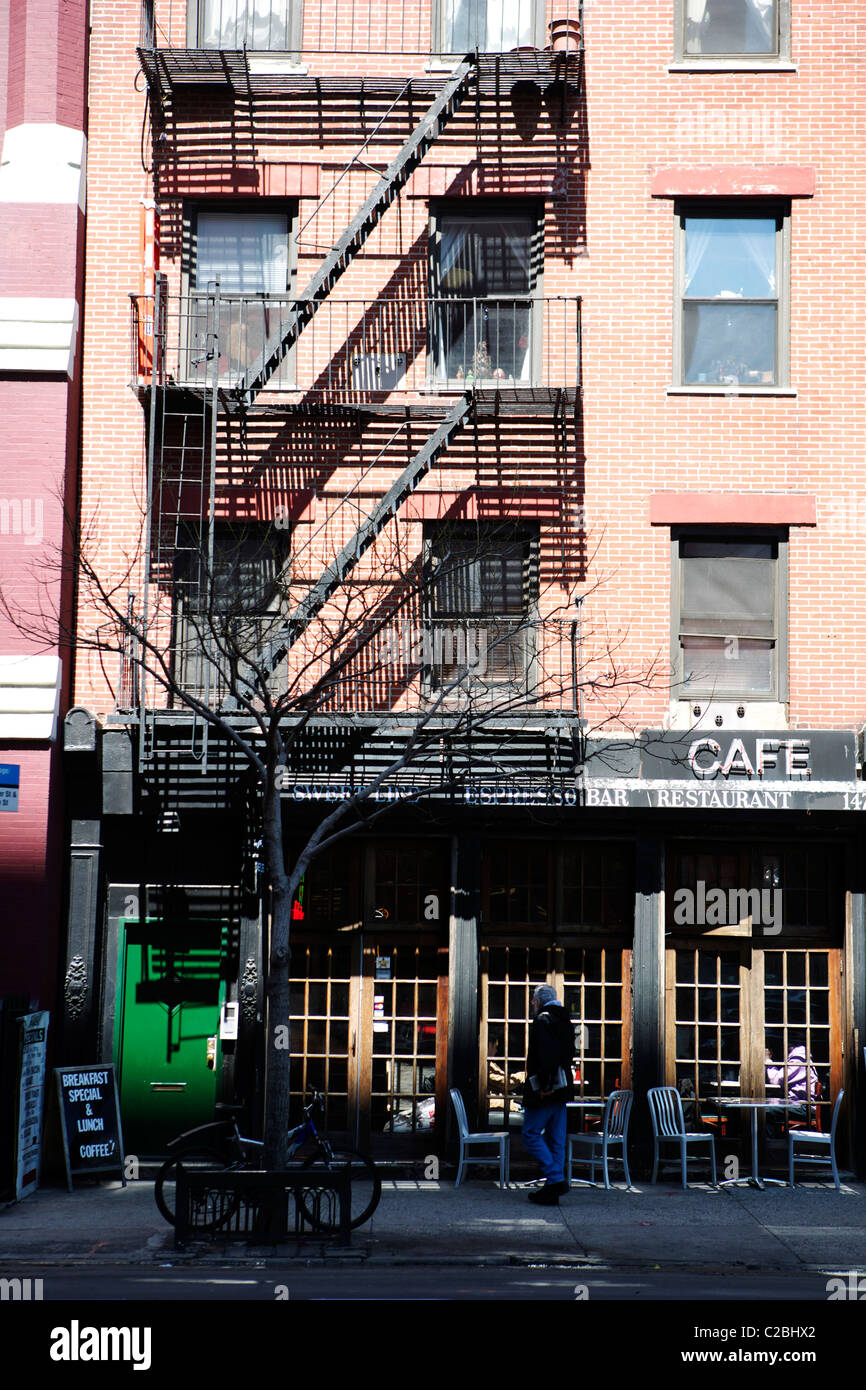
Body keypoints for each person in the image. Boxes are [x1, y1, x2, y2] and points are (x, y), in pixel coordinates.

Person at [522, 984, 576, 1205]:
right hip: (562, 1089)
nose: (533, 1005)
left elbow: (546, 1055)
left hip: (546, 1089)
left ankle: (555, 1179)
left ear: (538, 1001)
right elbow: (569, 1054)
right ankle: (551, 1191)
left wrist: (544, 1085)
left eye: (533, 1001)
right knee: (556, 1139)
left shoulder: (543, 1020)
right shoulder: (565, 1019)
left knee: (530, 1134)